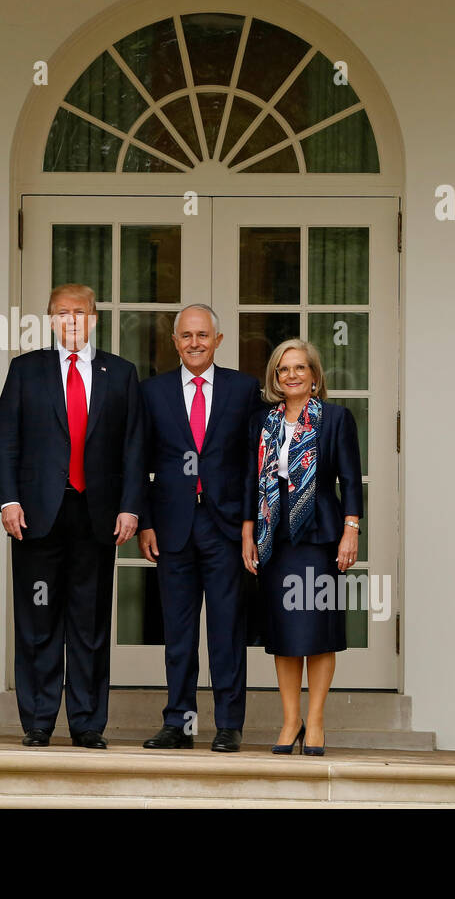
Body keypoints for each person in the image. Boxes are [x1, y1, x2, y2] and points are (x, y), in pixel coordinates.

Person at [0, 283, 144, 749]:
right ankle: (38, 721)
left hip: (97, 515)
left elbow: (134, 446)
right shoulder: (26, 370)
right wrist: (9, 500)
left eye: (79, 312)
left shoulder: (120, 373)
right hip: (37, 515)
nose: (71, 320)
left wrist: (131, 505)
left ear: (94, 319)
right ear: (51, 320)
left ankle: (86, 723)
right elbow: (7, 439)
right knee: (37, 620)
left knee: (90, 622)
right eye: (61, 313)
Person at [138, 305, 264, 752]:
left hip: (225, 526)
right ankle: (180, 723)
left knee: (228, 630)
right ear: (175, 342)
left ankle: (229, 724)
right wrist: (145, 522)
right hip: (172, 527)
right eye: (187, 336)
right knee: (178, 632)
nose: (195, 343)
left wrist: (249, 523)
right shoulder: (151, 392)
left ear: (218, 339)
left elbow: (256, 465)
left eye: (203, 335)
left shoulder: (244, 390)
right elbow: (138, 461)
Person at [243, 338, 362, 756]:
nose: (291, 375)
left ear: (314, 376)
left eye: (300, 368)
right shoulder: (263, 421)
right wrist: (247, 532)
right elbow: (249, 481)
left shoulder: (334, 419)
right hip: (275, 539)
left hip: (319, 538)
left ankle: (315, 721)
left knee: (319, 632)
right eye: (283, 369)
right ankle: (290, 719)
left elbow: (350, 479)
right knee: (285, 633)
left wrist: (352, 529)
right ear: (276, 378)